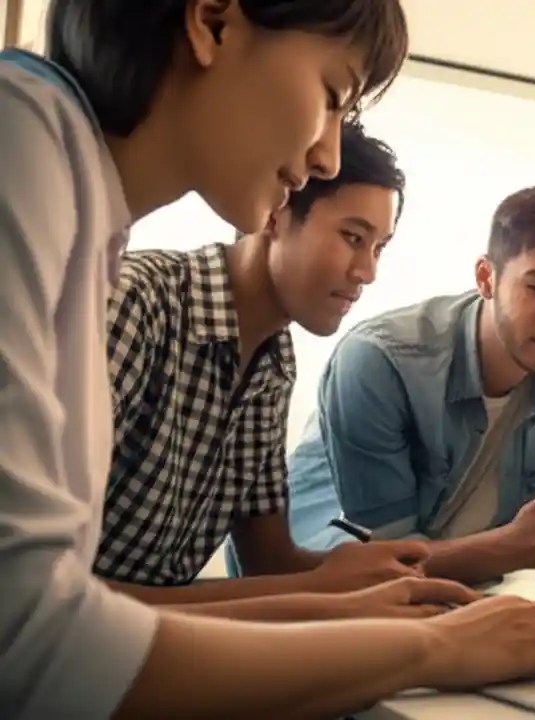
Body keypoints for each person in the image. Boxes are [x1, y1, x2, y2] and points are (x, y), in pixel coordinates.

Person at [0, 2, 535, 718]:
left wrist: (350, 597)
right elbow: (38, 635)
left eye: (378, 246)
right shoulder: (27, 149)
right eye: (330, 93)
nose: (325, 154)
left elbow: (260, 571)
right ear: (213, 22)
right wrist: (426, 645)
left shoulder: (110, 244)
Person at [97, 119, 458, 621]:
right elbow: (43, 598)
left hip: (135, 653)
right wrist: (325, 589)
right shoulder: (135, 305)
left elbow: (270, 562)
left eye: (379, 247)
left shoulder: (274, 361)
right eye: (353, 237)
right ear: (275, 210)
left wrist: (353, 572)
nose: (367, 272)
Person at [286, 184, 535, 585]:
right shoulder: (380, 361)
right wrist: (513, 550)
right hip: (314, 589)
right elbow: (387, 567)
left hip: (460, 590)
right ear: (486, 278)